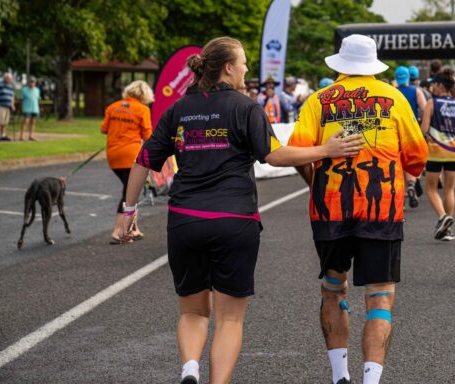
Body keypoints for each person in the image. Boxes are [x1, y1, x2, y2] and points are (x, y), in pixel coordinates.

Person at [116, 37, 363, 384]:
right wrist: (327, 149)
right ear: (228, 68)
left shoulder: (178, 110)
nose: (248, 69)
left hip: (185, 221)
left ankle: (190, 368)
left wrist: (127, 211)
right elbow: (275, 155)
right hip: (235, 221)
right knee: (229, 319)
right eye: (244, 62)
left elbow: (144, 159)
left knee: (192, 311)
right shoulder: (245, 107)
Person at [289, 34, 428, 384]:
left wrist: (314, 182)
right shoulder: (394, 99)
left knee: (333, 288)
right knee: (380, 293)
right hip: (381, 209)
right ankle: (371, 380)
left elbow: (297, 152)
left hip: (329, 209)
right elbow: (417, 158)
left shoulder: (319, 101)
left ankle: (340, 377)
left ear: (340, 63)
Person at [101, 80, 154, 244]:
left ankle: (133, 229)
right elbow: (148, 136)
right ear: (144, 95)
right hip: (131, 156)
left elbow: (104, 129)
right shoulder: (143, 109)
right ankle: (118, 231)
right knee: (129, 194)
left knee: (130, 190)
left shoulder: (113, 106)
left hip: (113, 155)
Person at [420, 68, 455, 241]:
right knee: (449, 190)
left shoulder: (432, 103)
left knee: (430, 189)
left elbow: (423, 129)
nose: (432, 89)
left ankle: (442, 216)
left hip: (435, 152)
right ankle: (448, 230)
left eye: (434, 85)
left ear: (439, 85)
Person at [394, 65, 426, 208]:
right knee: (411, 158)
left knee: (399, 160)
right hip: (413, 129)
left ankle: (404, 190)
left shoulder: (393, 92)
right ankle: (412, 183)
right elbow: (424, 109)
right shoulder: (416, 91)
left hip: (396, 131)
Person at [20, 77, 41, 141]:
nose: (32, 83)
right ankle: (22, 136)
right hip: (27, 108)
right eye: (31, 82)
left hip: (35, 108)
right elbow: (21, 99)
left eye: (33, 82)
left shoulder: (37, 90)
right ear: (28, 82)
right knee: (25, 121)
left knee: (33, 122)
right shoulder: (24, 90)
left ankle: (31, 136)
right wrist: (21, 107)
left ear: (35, 83)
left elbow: (37, 99)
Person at [0, 73, 15, 141]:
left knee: (5, 122)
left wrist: (12, 105)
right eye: (8, 78)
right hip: (1, 105)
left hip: (8, 106)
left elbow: (12, 96)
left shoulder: (11, 86)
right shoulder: (0, 84)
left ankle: (3, 135)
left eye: (11, 79)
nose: (10, 80)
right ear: (5, 78)